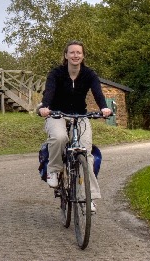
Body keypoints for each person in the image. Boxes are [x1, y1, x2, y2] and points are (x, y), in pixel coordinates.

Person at [37, 40, 112, 212]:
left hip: (80, 115)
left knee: (85, 154)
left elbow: (97, 93)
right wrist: (45, 107)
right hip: (57, 113)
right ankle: (54, 170)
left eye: (78, 52)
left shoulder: (89, 74)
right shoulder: (56, 73)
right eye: (72, 52)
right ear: (66, 55)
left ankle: (88, 197)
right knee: (60, 137)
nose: (75, 55)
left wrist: (104, 108)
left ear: (83, 55)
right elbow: (49, 91)